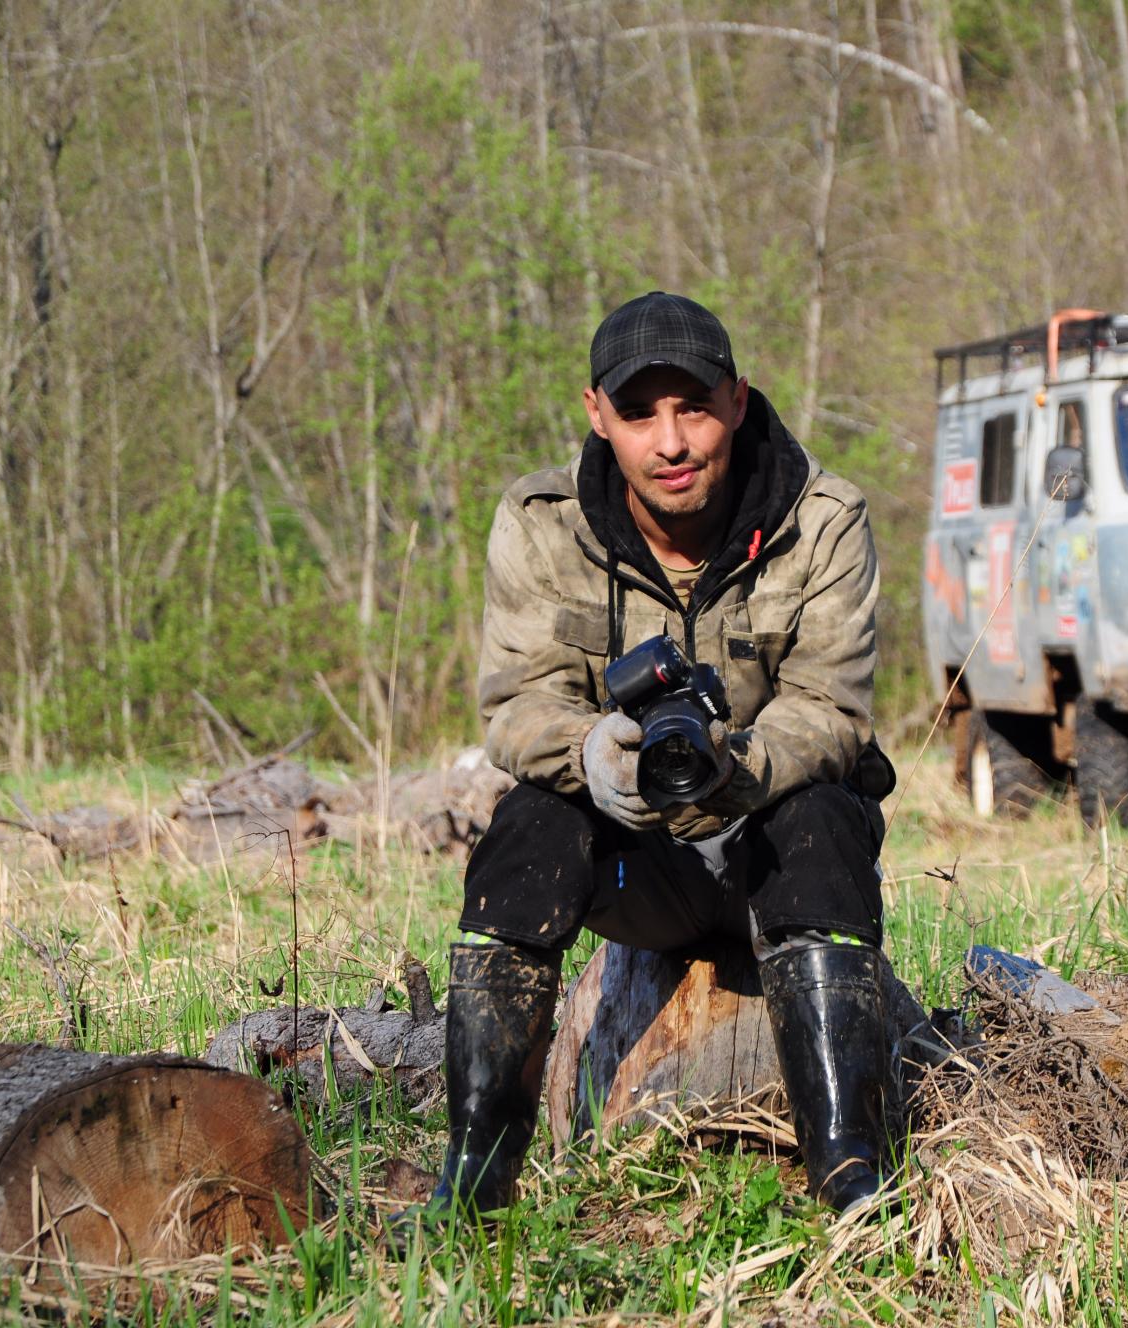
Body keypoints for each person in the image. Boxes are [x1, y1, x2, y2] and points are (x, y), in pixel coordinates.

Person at [426, 290, 896, 1220]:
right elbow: (515, 706)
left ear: (737, 399)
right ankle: (477, 1174)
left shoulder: (824, 517)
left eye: (693, 408)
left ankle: (850, 1174)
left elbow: (834, 707)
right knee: (528, 820)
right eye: (640, 413)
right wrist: (593, 751)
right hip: (631, 865)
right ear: (597, 415)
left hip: (772, 851)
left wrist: (741, 766)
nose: (671, 443)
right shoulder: (540, 521)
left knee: (826, 810)